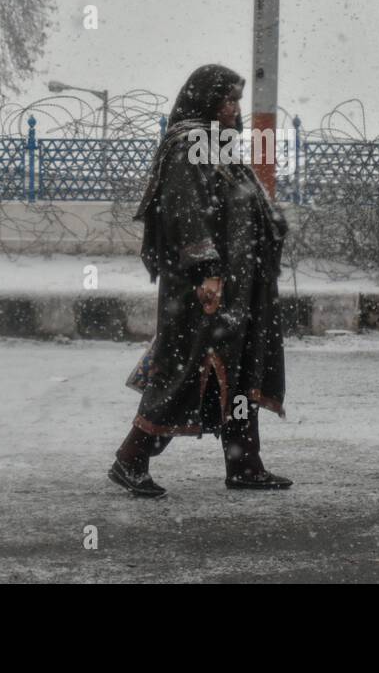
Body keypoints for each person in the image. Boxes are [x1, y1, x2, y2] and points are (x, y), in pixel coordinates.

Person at [108, 64, 292, 498]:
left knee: (240, 368)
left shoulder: (219, 145)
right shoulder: (190, 142)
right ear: (205, 100)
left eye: (236, 101)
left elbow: (242, 204)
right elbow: (185, 210)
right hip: (204, 289)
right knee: (189, 370)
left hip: (237, 284)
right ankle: (131, 457)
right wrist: (206, 269)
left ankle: (244, 462)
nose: (234, 109)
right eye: (226, 100)